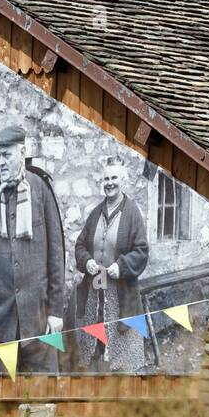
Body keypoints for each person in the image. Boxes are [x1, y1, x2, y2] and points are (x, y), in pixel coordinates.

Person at [0, 125, 66, 375]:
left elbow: (56, 255)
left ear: (23, 152)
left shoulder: (40, 191)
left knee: (43, 400)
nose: (1, 161)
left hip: (39, 322)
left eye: (7, 155)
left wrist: (55, 311)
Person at [75, 158, 149, 371]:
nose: (109, 182)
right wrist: (87, 260)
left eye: (114, 177)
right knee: (95, 342)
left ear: (123, 180)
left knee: (121, 348)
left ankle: (123, 382)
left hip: (121, 292)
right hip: (95, 291)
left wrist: (122, 266)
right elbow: (80, 245)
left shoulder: (132, 213)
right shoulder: (96, 213)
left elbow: (142, 251)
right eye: (106, 178)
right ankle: (99, 377)